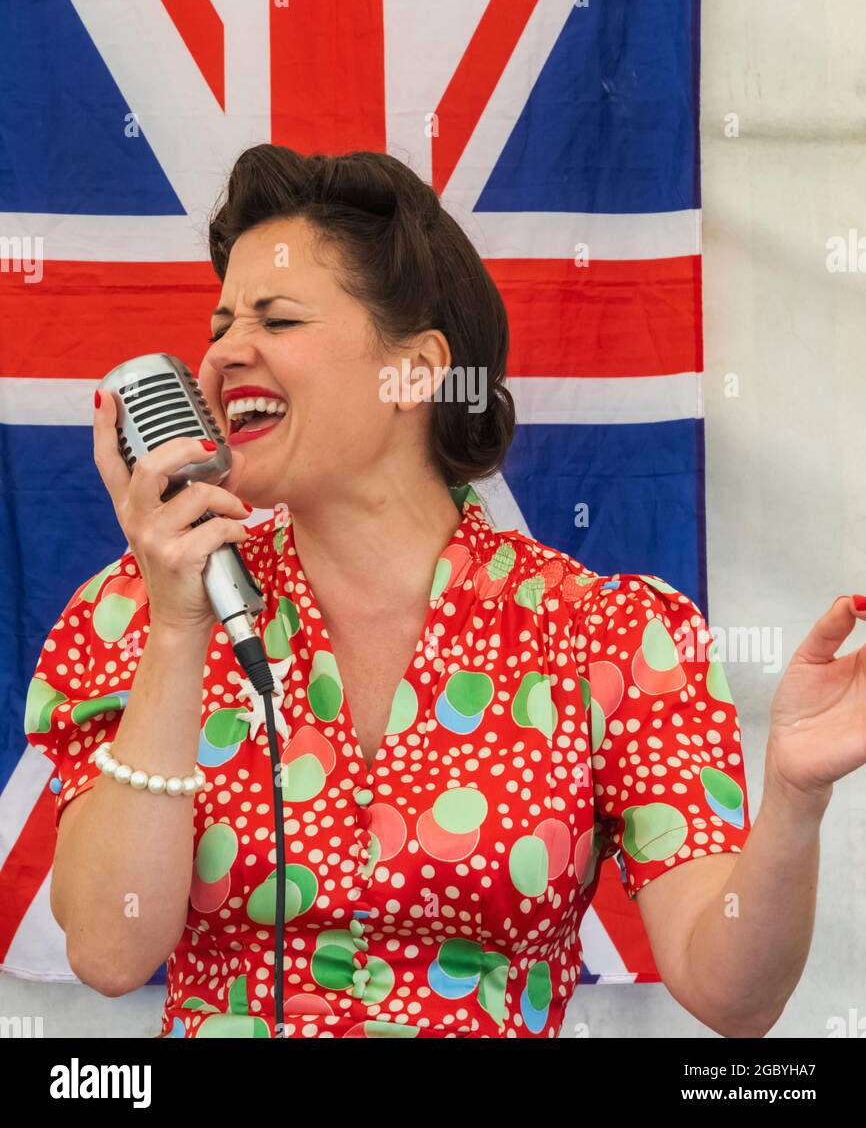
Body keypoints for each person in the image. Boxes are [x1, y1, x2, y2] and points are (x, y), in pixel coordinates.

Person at [23, 145, 865, 1039]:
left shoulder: (606, 633)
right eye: (222, 323)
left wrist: (796, 795)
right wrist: (179, 626)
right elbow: (111, 954)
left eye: (276, 320)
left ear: (417, 370)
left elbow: (734, 996)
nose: (226, 354)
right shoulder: (139, 607)